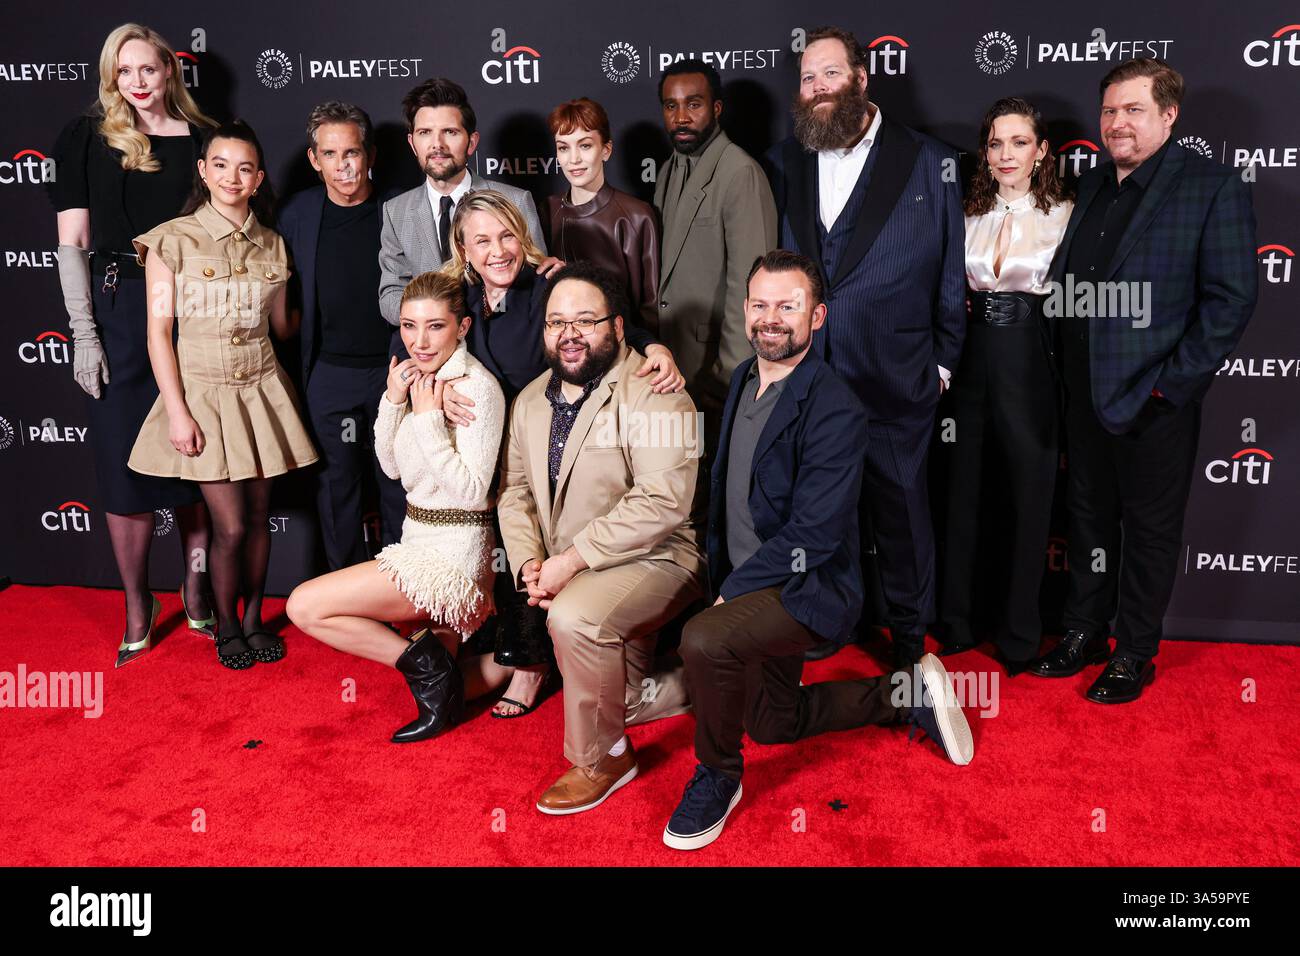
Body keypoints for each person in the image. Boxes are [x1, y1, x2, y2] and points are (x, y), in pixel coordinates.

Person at [664, 250, 973, 851]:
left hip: (805, 588)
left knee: (703, 637)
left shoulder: (834, 403)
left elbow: (815, 536)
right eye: (760, 304)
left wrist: (732, 589)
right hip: (750, 579)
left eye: (789, 306)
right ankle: (904, 696)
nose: (771, 318)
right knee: (776, 723)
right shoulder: (744, 378)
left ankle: (718, 776)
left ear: (819, 316)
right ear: (745, 310)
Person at [1030, 59, 1258, 702]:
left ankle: (1133, 651)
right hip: (1083, 394)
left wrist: (1170, 387)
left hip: (1154, 400)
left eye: (1133, 110)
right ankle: (1081, 632)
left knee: (1150, 532)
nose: (1117, 123)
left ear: (1169, 114)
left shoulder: (1211, 187)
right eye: (1109, 111)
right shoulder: (1097, 185)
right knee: (1087, 519)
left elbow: (1230, 300)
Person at [439, 190, 684, 718]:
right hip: (502, 449)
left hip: (580, 444)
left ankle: (562, 659)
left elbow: (609, 321)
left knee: (613, 694)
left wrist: (655, 347)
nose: (498, 249)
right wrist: (426, 383)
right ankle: (526, 661)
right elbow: (412, 339)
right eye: (481, 239)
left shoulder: (551, 284)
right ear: (462, 248)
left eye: (507, 234)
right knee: (520, 552)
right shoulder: (456, 296)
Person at [765, 26, 965, 668]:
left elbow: (951, 270)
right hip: (811, 380)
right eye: (807, 78)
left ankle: (910, 642)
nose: (818, 88)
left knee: (902, 520)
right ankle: (831, 622)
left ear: (861, 78)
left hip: (894, 374)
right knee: (822, 515)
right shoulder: (785, 161)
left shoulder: (929, 159)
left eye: (829, 74)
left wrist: (941, 361)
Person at [496, 262, 705, 815]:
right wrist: (529, 563)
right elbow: (514, 491)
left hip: (659, 556)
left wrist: (570, 562)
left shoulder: (656, 390)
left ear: (616, 326)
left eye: (586, 321)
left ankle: (603, 758)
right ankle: (720, 683)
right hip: (577, 567)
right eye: (556, 321)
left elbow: (665, 500)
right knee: (618, 700)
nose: (569, 333)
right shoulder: (530, 399)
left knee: (573, 620)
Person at [49, 22, 217, 667]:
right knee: (123, 462)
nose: (138, 83)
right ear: (111, 78)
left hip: (194, 310)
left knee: (197, 455)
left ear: (169, 72)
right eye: (125, 73)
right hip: (120, 307)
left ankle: (197, 586)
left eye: (148, 69)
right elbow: (72, 244)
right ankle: (136, 604)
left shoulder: (205, 141)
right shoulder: (87, 138)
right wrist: (83, 333)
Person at [128, 120, 319, 670]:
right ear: (203, 171)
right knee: (230, 525)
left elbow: (281, 325)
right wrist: (178, 411)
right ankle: (227, 623)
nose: (232, 177)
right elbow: (158, 334)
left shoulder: (273, 244)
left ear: (258, 178)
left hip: (261, 388)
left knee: (259, 519)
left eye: (244, 168)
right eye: (220, 165)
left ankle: (256, 619)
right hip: (203, 394)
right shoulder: (171, 239)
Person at [286, 271, 507, 742]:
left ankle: (431, 671)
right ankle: (486, 667)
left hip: (453, 557)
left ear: (462, 327)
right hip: (416, 540)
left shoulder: (476, 389)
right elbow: (390, 468)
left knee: (303, 606)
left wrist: (428, 421)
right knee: (451, 680)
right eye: (409, 326)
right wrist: (393, 400)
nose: (419, 341)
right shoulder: (418, 380)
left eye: (435, 327)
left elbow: (471, 491)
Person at [939, 97, 1073, 675]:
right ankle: (957, 622)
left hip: (1029, 359)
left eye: (1019, 142)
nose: (1005, 154)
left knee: (1029, 494)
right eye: (995, 143)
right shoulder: (964, 211)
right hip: (968, 359)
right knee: (962, 493)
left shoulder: (1067, 213)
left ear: (1041, 151)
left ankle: (1021, 634)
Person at [279, 102, 406, 570]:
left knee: (398, 483)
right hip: (328, 375)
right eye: (330, 154)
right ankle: (347, 592)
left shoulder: (398, 208)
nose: (343, 165)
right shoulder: (298, 215)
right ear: (315, 160)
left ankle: (403, 591)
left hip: (393, 371)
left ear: (369, 154)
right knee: (337, 490)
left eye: (352, 152)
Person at [653, 59, 777, 445]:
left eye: (694, 104)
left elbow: (752, 288)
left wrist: (730, 379)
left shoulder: (740, 173)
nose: (681, 117)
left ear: (716, 108)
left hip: (715, 375)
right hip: (671, 367)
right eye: (671, 106)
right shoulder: (668, 169)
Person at [379, 77, 548, 355]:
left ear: (471, 142)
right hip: (430, 357)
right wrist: (432, 322)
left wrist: (483, 313)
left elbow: (536, 287)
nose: (437, 144)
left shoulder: (516, 201)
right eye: (425, 133)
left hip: (504, 351)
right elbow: (390, 293)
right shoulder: (396, 211)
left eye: (450, 132)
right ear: (412, 143)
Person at [547, 97, 660, 331]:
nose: (574, 159)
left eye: (585, 145)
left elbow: (651, 309)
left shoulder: (636, 216)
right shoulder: (546, 211)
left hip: (623, 350)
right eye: (563, 147)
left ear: (606, 150)